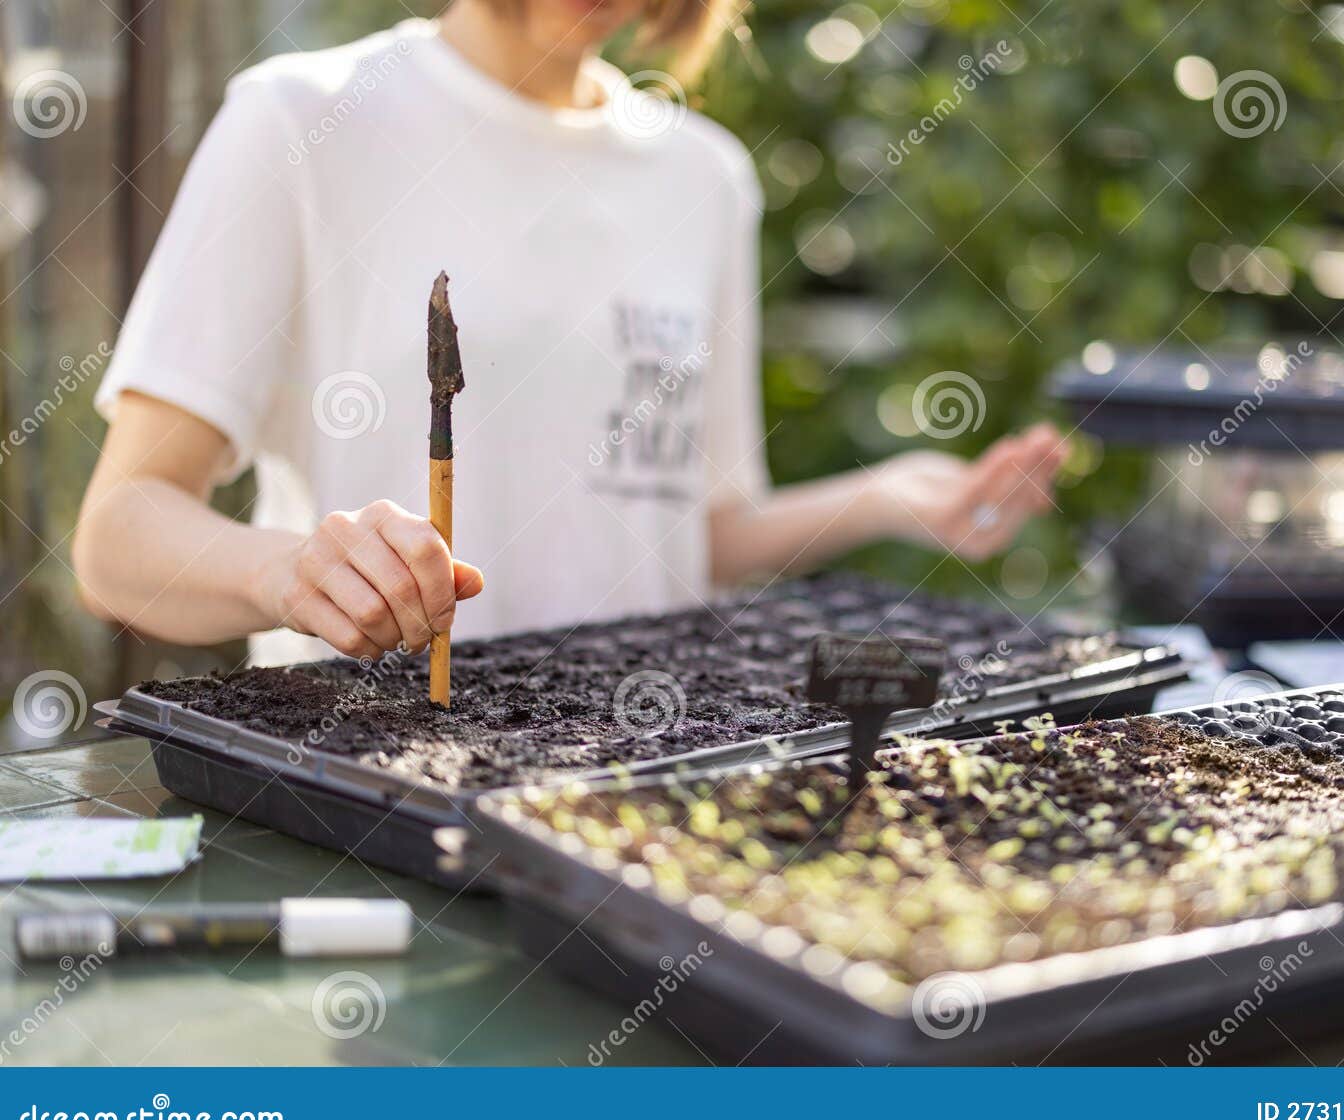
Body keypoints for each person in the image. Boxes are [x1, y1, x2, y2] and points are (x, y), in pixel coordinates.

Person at [74, 0, 1065, 666]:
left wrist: (883, 494)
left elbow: (687, 531)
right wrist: (285, 572)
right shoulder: (305, 120)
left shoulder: (703, 178)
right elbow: (121, 533)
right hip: (368, 784)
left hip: (640, 783)